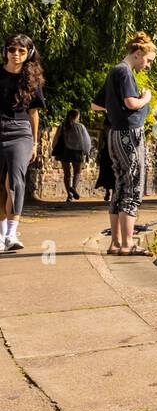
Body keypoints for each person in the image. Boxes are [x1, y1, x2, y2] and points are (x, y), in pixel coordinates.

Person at [92, 31, 156, 256]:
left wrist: (115, 109)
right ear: (138, 54)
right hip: (129, 135)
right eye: (147, 60)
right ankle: (128, 243)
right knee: (133, 186)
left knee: (120, 185)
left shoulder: (114, 72)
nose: (147, 66)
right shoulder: (125, 72)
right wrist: (145, 98)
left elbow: (95, 105)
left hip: (115, 135)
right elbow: (131, 103)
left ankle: (116, 243)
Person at [0, 33, 45, 251]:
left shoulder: (32, 81)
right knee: (1, 186)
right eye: (12, 50)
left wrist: (34, 143)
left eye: (21, 51)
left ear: (29, 54)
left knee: (16, 182)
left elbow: (33, 113)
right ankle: (0, 234)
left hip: (20, 134)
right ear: (5, 52)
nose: (16, 54)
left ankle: (11, 234)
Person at [52, 108, 93, 203]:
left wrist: (54, 149)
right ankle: (73, 188)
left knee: (67, 174)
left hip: (64, 151)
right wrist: (87, 152)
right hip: (77, 152)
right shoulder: (81, 126)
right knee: (77, 172)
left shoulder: (63, 126)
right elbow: (86, 141)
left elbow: (56, 138)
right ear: (76, 117)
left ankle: (69, 196)